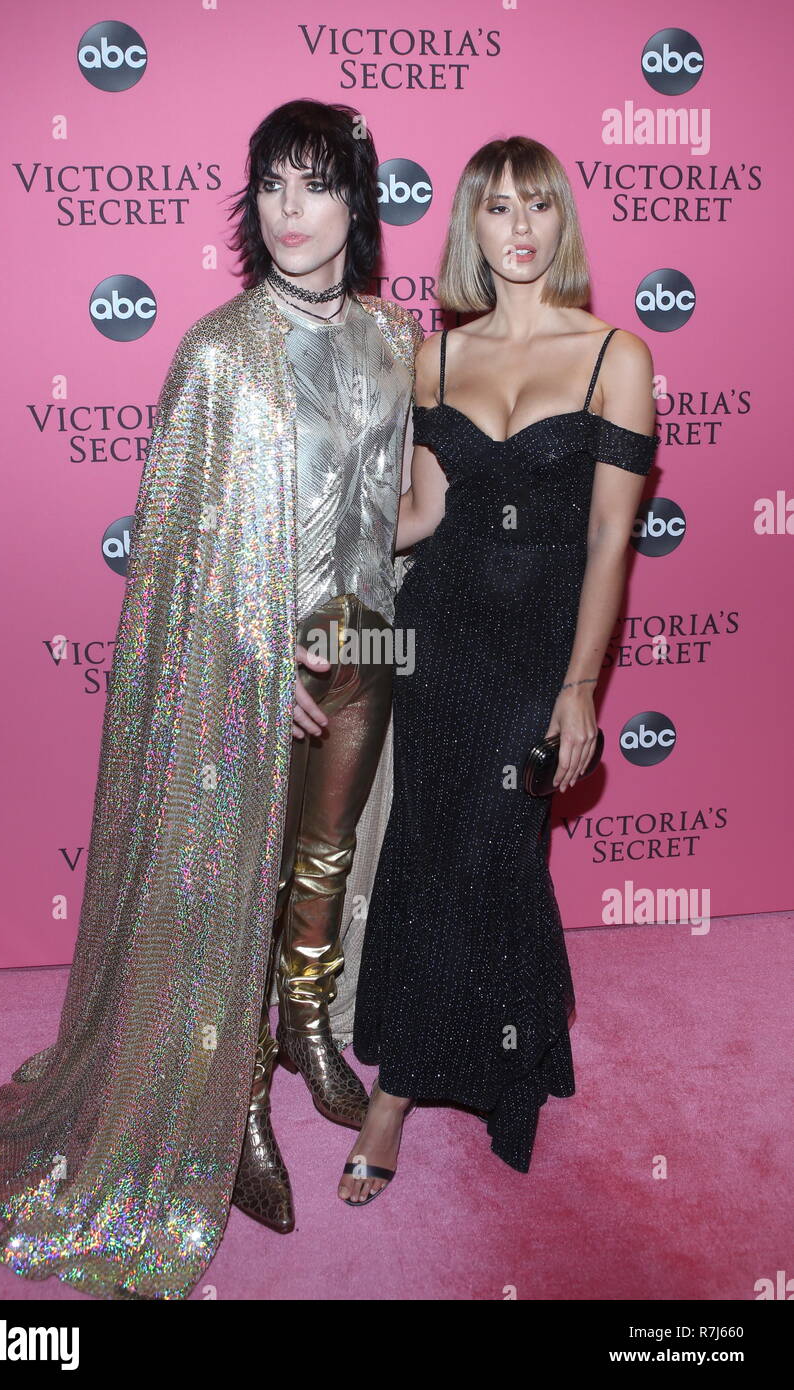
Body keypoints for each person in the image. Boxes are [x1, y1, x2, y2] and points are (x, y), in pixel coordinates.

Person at [0, 99, 422, 1298]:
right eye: (270, 185)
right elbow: (172, 550)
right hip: (261, 675)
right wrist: (248, 670)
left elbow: (393, 498)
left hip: (368, 641)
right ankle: (232, 1109)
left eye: (314, 186)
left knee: (324, 859)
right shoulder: (219, 351)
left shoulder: (390, 338)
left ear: (355, 205)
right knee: (240, 881)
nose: (288, 209)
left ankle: (311, 1023)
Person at [344, 135, 660, 1205]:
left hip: (534, 656)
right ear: (468, 228)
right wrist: (310, 546)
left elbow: (612, 538)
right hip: (437, 639)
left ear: (559, 221)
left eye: (536, 207)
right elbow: (425, 510)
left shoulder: (614, 355)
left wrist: (578, 686)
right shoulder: (435, 356)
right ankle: (487, 1056)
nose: (517, 229)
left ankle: (397, 1090)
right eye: (496, 209)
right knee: (438, 844)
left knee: (492, 842)